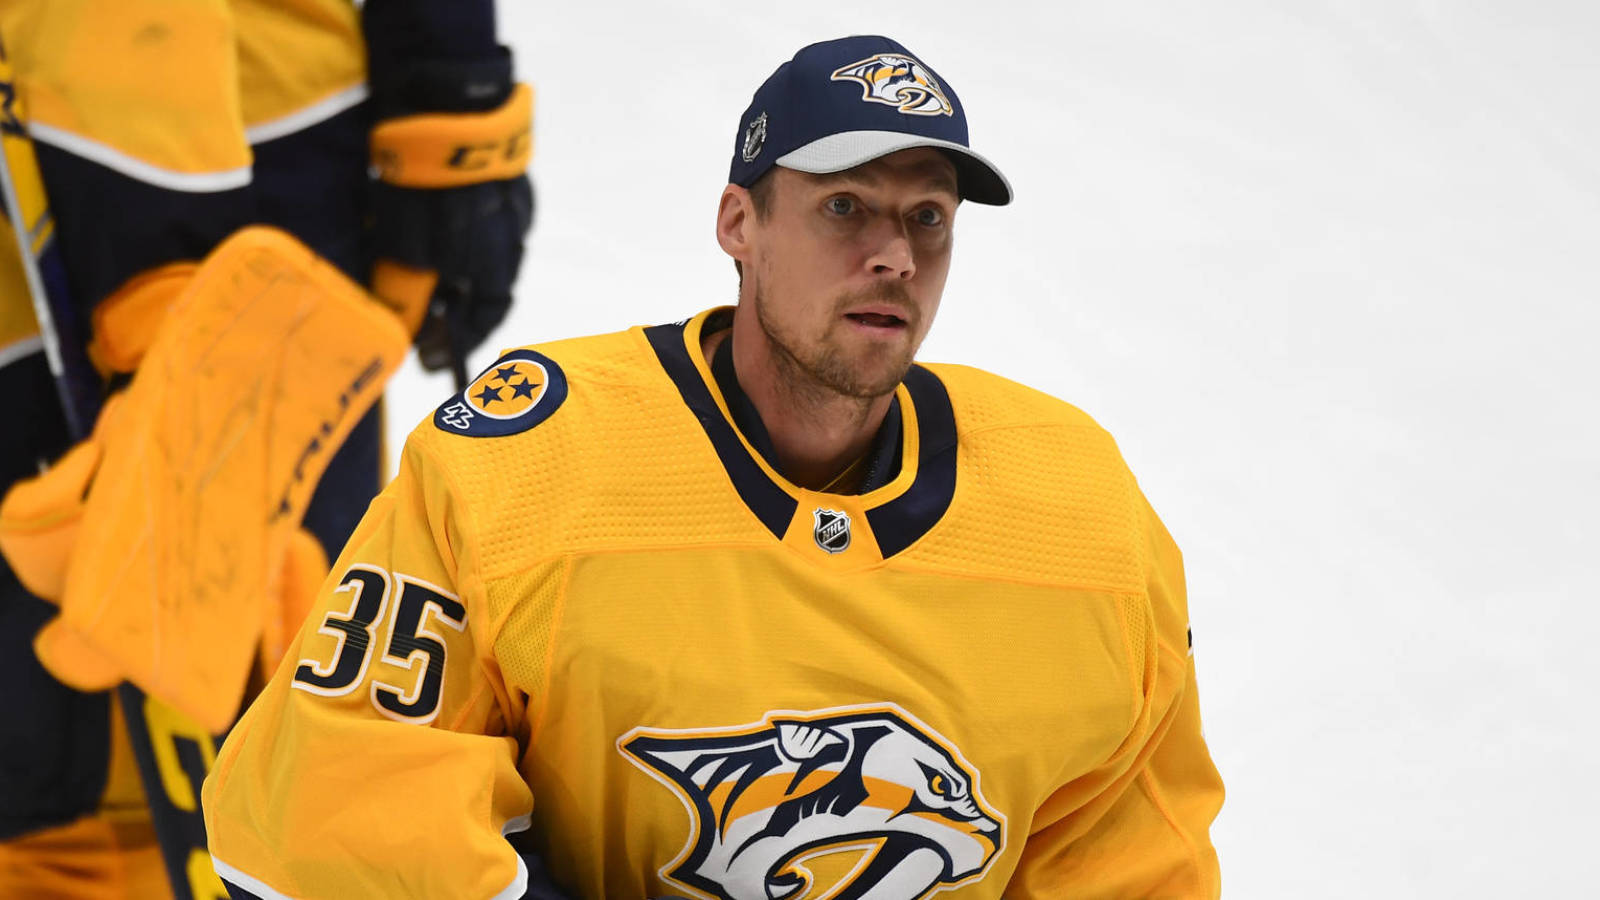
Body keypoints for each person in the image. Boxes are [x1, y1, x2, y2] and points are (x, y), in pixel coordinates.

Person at [202, 34, 1224, 899]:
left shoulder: (1080, 511)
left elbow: (1135, 861)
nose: (896, 257)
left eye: (928, 218)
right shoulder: (532, 464)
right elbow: (325, 801)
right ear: (739, 223)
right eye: (844, 207)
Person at [0, 1, 533, 896]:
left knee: (264, 695)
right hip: (156, 165)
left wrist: (447, 78)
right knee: (57, 737)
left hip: (260, 156)